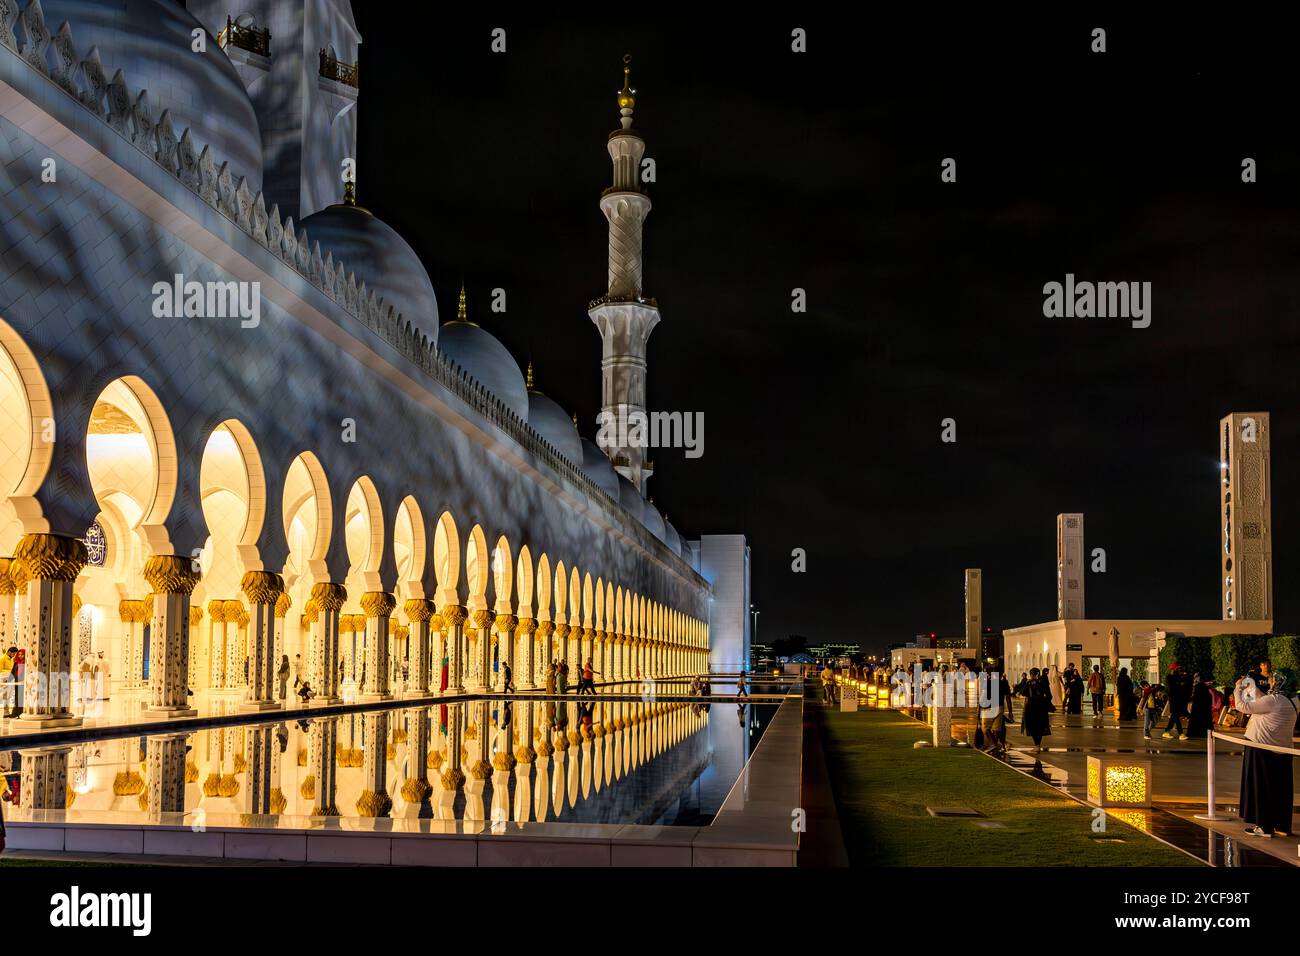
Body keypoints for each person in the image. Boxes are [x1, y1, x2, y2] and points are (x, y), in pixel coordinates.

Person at [1235, 669, 1299, 838]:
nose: (1271, 682)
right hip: (1282, 750)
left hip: (1261, 748)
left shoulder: (1274, 700)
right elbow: (1263, 700)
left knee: (1260, 788)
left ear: (1280, 682)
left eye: (1273, 680)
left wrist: (1238, 689)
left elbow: (1242, 706)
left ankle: (1264, 825)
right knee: (1280, 789)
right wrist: (1251, 686)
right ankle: (1282, 825)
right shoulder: (1294, 699)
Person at [1020, 667, 1051, 751]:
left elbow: (1022, 692)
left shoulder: (1028, 683)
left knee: (1032, 725)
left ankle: (1036, 744)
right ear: (1038, 674)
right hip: (1041, 706)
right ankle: (1038, 744)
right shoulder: (1042, 682)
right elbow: (1049, 695)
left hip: (1031, 706)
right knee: (1040, 726)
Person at [1162, 666, 1189, 739]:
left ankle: (1174, 732)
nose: (1179, 671)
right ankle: (1177, 733)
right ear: (1174, 669)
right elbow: (1172, 688)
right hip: (1174, 699)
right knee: (1175, 715)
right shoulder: (1171, 678)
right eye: (1178, 669)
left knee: (1175, 716)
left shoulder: (1174, 677)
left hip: (1176, 699)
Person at [1187, 672, 1213, 739]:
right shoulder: (1204, 687)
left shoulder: (1196, 687)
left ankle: (1195, 732)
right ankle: (1205, 732)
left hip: (1197, 707)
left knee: (1196, 718)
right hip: (1204, 708)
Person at [0, 646, 15, 718]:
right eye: (13, 654)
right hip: (3, 679)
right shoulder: (2, 658)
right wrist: (10, 673)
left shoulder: (11, 659)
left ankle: (6, 713)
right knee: (3, 695)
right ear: (9, 652)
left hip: (9, 679)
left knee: (7, 696)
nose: (14, 655)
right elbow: (0, 670)